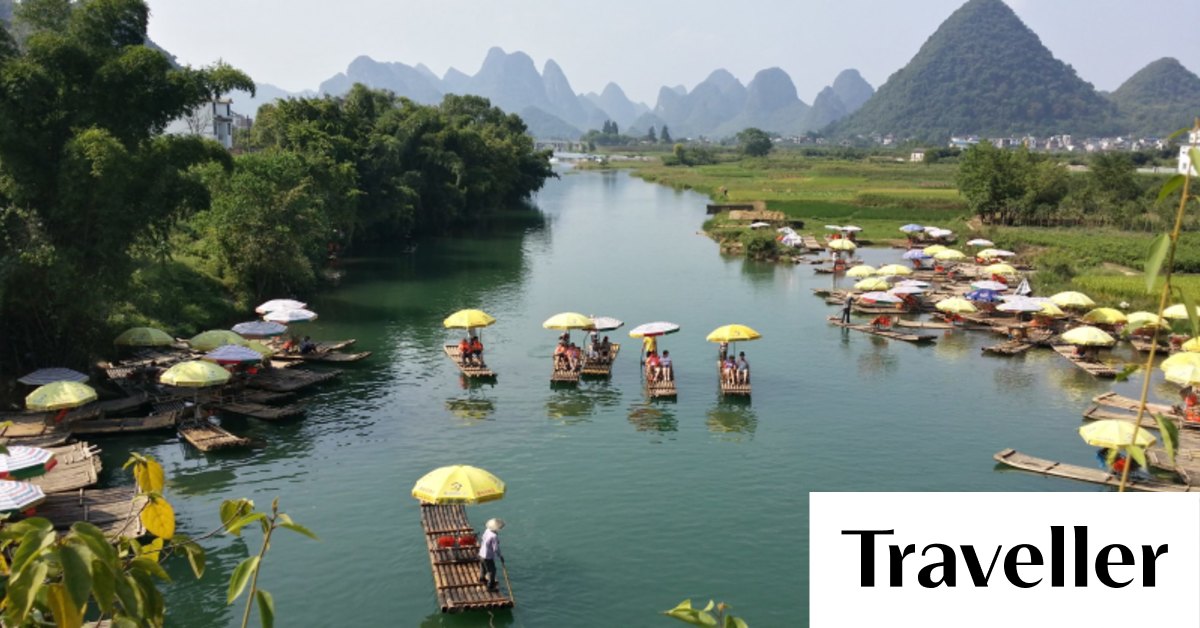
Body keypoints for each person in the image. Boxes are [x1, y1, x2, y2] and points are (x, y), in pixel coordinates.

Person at [477, 518, 505, 593]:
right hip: (487, 556)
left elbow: (483, 538)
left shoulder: (487, 530)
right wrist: (500, 556)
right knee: (492, 571)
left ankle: (482, 579)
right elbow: (495, 548)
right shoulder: (494, 536)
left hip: (481, 553)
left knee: (483, 567)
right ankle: (490, 586)